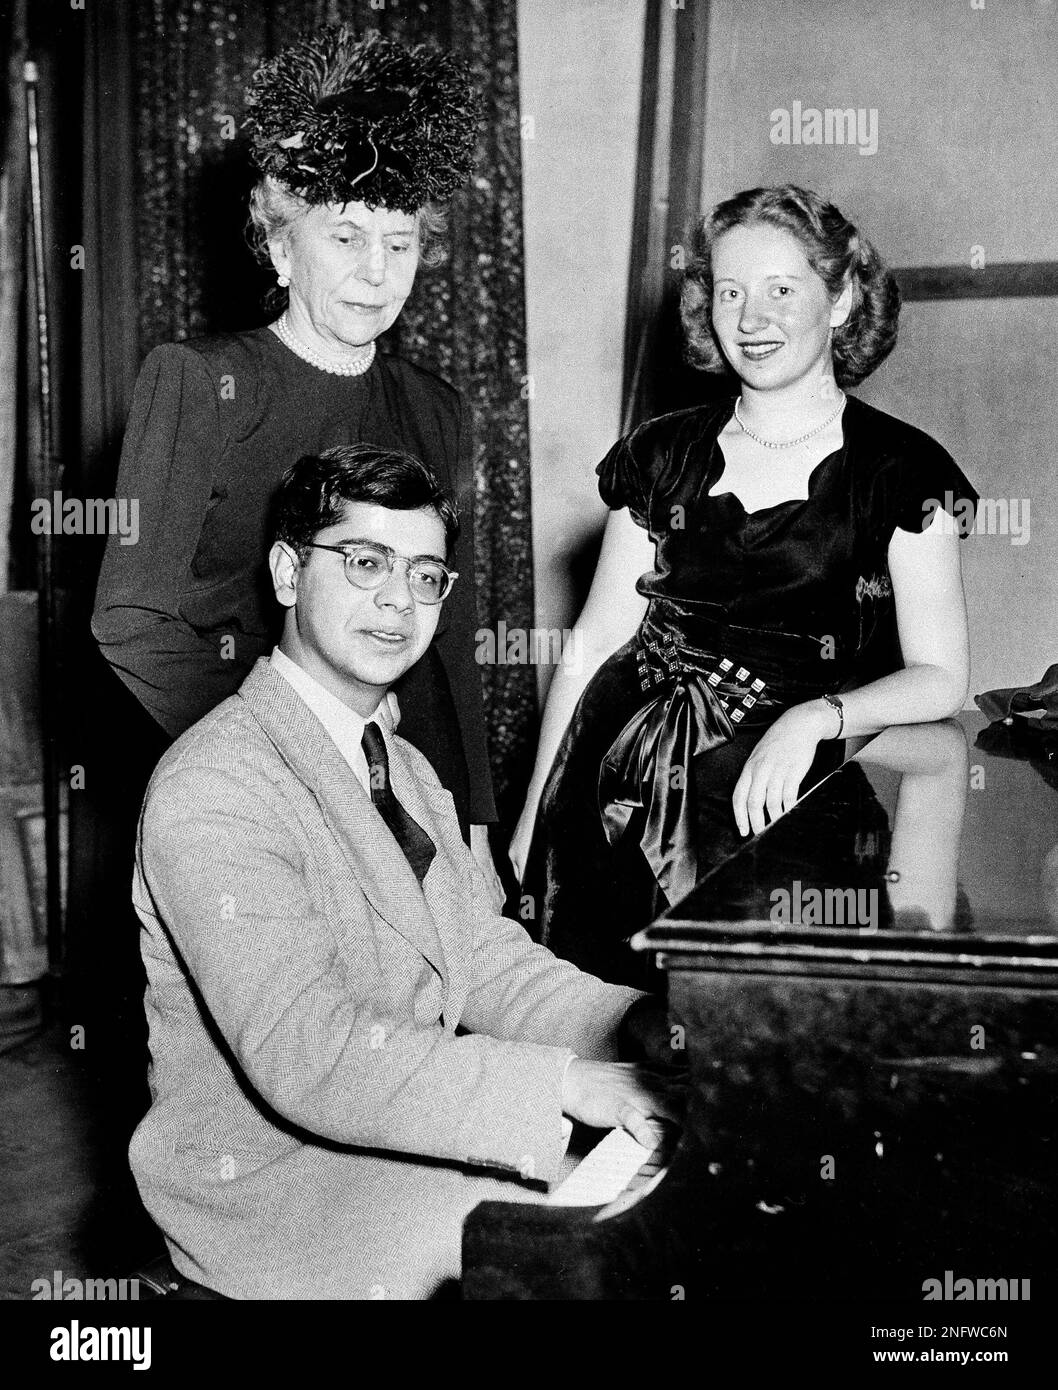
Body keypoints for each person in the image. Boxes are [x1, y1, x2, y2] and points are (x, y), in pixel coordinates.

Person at [129, 443, 679, 1300]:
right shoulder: (216, 786)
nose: (397, 598)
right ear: (284, 573)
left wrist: (648, 1026)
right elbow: (312, 1053)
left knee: (655, 1218)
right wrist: (568, 1084)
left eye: (426, 576)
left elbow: (488, 961)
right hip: (274, 1192)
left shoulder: (403, 766)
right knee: (598, 1251)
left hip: (371, 1142)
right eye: (363, 562)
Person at [511, 185, 979, 988]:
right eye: (731, 291)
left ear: (841, 298)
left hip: (784, 798)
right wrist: (533, 817)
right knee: (594, 1035)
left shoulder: (902, 471)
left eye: (781, 289)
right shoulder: (660, 453)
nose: (751, 318)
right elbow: (594, 641)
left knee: (755, 1043)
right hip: (609, 779)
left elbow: (943, 678)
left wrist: (816, 718)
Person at [92, 26, 499, 891]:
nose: (377, 272)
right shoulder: (199, 381)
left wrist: (470, 823)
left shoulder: (437, 410)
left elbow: (450, 647)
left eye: (402, 244)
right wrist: (295, 748)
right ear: (280, 247)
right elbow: (130, 619)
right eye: (346, 238)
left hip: (401, 792)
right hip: (243, 786)